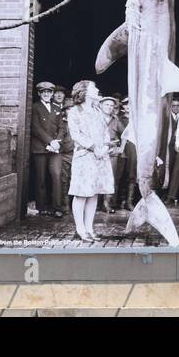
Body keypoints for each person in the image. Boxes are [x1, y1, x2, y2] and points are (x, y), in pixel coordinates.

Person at [67, 81, 115, 242]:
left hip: (100, 158)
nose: (98, 89)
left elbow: (105, 132)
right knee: (81, 194)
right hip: (84, 157)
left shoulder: (97, 110)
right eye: (94, 88)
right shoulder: (75, 111)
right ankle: (80, 229)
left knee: (93, 193)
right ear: (85, 92)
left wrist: (106, 146)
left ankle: (89, 228)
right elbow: (76, 135)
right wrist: (95, 147)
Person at [29, 82, 64, 217]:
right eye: (43, 92)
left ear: (52, 94)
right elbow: (35, 127)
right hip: (40, 147)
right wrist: (50, 141)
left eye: (49, 92)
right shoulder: (35, 107)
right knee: (41, 178)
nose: (46, 94)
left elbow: (62, 127)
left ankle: (57, 207)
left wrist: (57, 142)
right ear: (39, 94)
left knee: (56, 175)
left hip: (55, 148)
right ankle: (42, 206)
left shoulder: (57, 108)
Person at [99, 96, 124, 213]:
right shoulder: (95, 118)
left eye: (111, 105)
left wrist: (120, 148)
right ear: (101, 105)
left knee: (110, 178)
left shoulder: (116, 120)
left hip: (111, 153)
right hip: (97, 152)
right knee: (97, 177)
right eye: (106, 105)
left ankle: (106, 204)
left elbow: (125, 134)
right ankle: (95, 204)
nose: (109, 107)